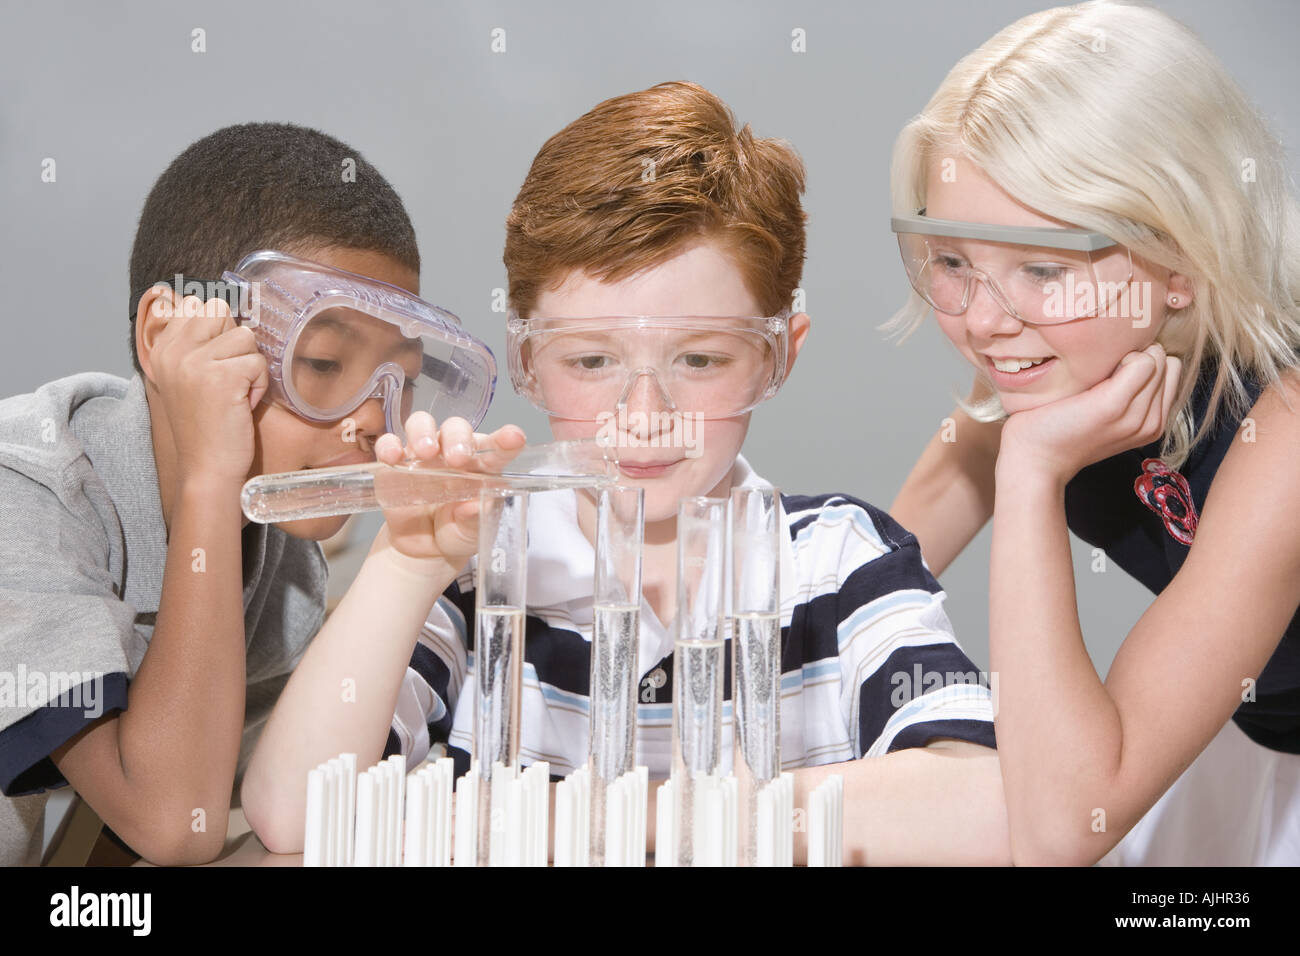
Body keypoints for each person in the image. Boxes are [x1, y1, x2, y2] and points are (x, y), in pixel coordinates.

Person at [246, 82, 1012, 865]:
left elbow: (988, 809)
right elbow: (292, 814)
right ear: (527, 360)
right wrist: (406, 565)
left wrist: (610, 817)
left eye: (700, 359)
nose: (644, 414)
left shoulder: (840, 561)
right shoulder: (478, 567)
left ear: (777, 356)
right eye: (591, 361)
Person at [0, 122, 508, 865]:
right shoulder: (25, 492)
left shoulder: (277, 549)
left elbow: (183, 816)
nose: (374, 419)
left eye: (397, 378)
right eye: (324, 362)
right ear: (168, 335)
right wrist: (209, 481)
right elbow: (175, 823)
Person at [886, 0, 1300, 864]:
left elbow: (1062, 830)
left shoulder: (1287, 429)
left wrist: (1031, 471)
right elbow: (868, 581)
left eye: (1042, 268)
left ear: (1182, 259)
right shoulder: (1058, 348)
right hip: (1246, 741)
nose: (985, 322)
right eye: (953, 261)